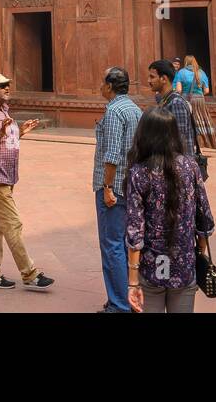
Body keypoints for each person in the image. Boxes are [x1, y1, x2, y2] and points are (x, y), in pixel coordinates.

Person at [0, 71, 55, 292]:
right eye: (2, 85)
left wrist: (22, 132)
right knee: (13, 224)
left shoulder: (3, 110)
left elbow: (5, 141)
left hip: (7, 175)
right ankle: (30, 274)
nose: (7, 88)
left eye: (8, 84)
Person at [124, 107, 214, 313]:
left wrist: (133, 282)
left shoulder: (139, 173)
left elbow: (135, 231)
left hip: (150, 265)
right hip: (183, 264)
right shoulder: (191, 167)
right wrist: (199, 254)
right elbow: (205, 219)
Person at [92, 66, 143, 313]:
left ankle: (119, 304)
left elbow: (111, 154)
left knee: (112, 244)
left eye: (103, 83)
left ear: (110, 86)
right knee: (127, 243)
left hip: (115, 187)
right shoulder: (135, 109)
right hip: (132, 184)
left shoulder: (113, 111)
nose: (101, 87)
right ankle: (129, 297)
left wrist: (107, 187)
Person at [146, 59, 196, 159]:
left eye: (152, 77)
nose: (149, 80)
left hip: (178, 165)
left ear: (164, 79)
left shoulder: (176, 102)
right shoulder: (165, 100)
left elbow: (179, 139)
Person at [176, 55, 216, 150]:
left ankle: (188, 143)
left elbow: (179, 90)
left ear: (185, 62)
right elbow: (207, 90)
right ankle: (203, 142)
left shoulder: (181, 72)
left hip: (186, 99)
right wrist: (199, 95)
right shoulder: (201, 73)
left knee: (187, 122)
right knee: (201, 121)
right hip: (199, 99)